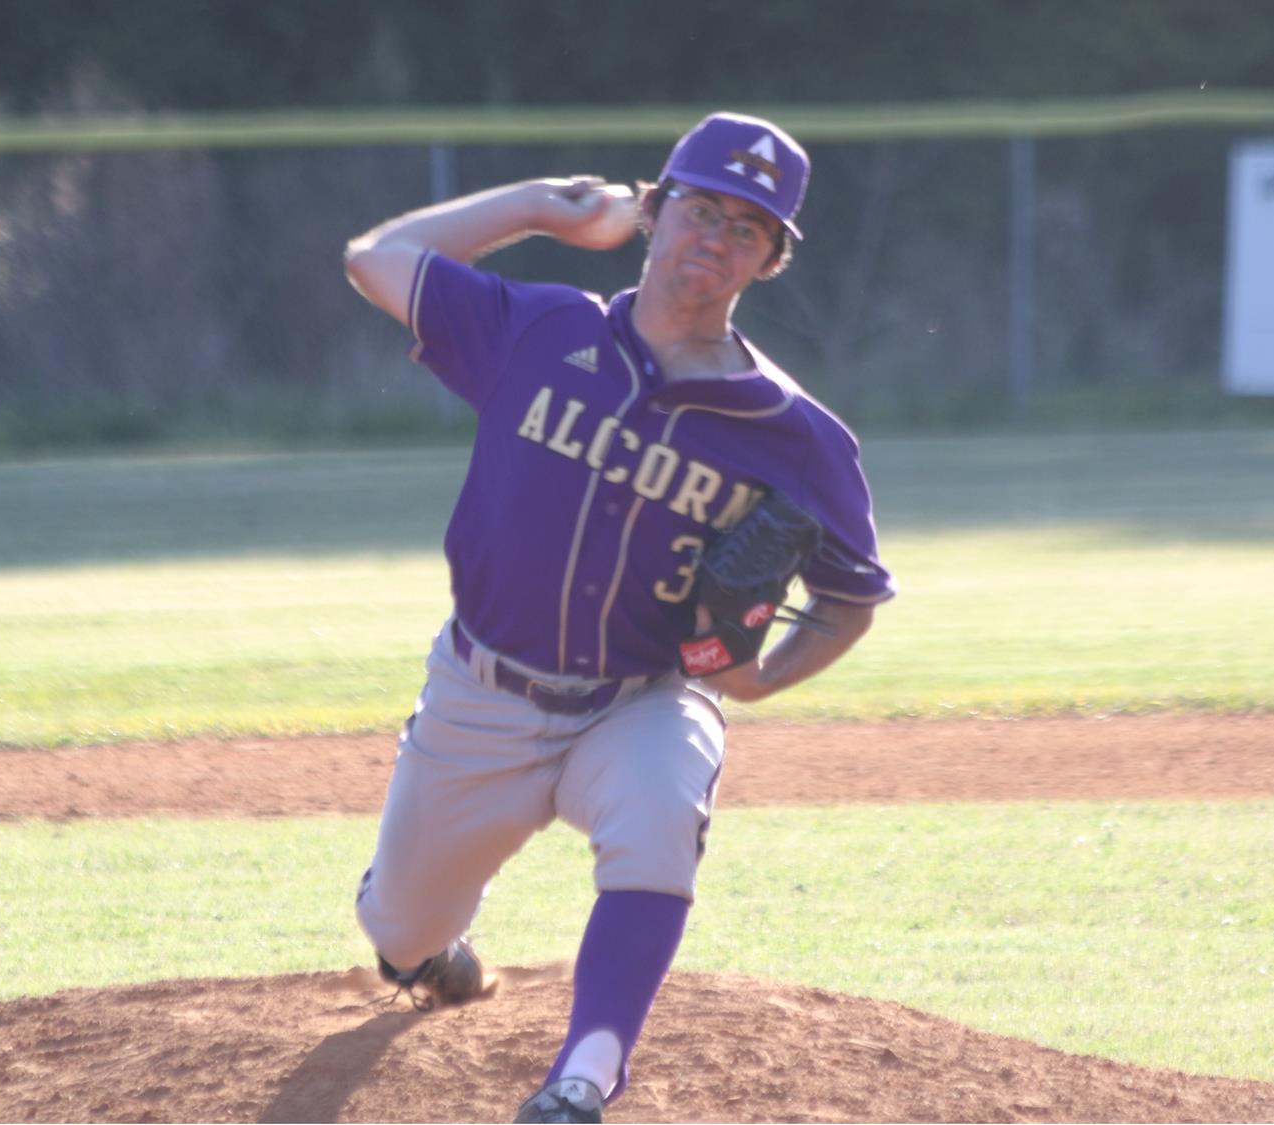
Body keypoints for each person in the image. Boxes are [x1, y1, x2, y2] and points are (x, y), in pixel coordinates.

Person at [341, 111, 897, 1124]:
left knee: (657, 809)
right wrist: (539, 210)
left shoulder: (794, 434)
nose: (715, 240)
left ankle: (583, 1079)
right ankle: (432, 953)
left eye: (747, 228)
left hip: (638, 700)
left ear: (771, 259)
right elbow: (377, 259)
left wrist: (761, 678)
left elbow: (851, 599)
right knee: (399, 934)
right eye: (700, 210)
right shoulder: (541, 329)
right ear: (655, 212)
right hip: (481, 692)